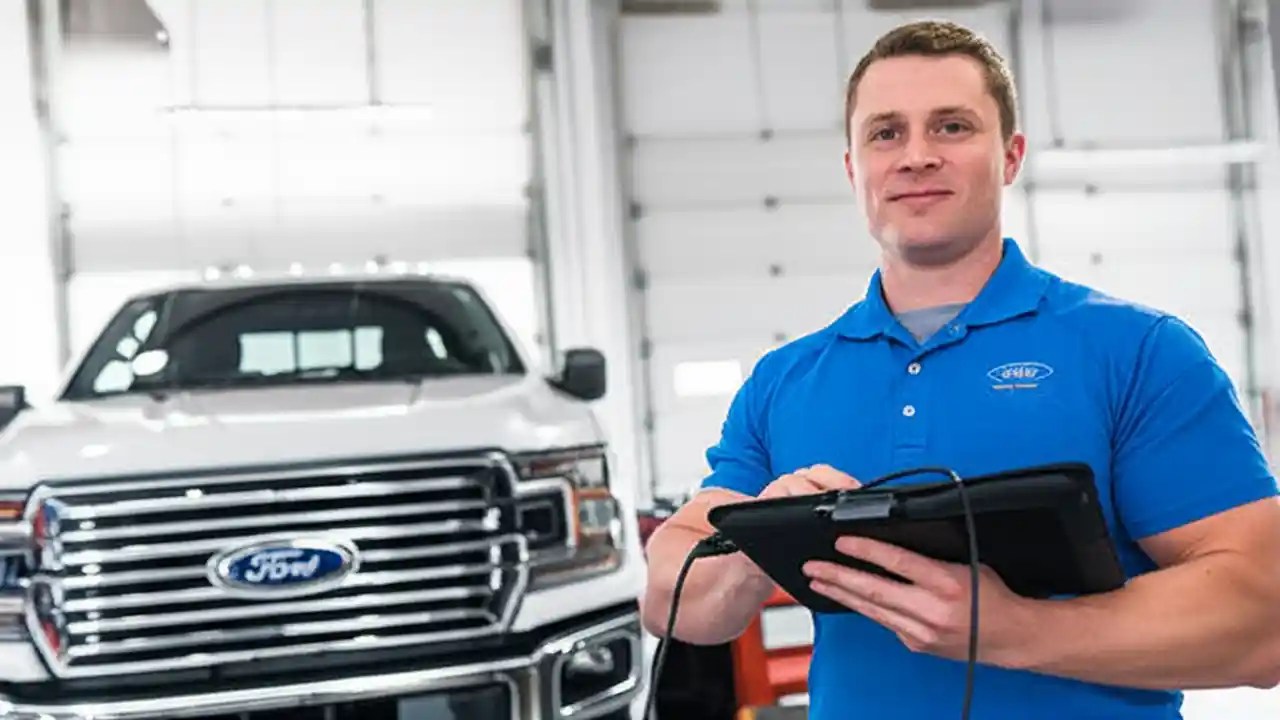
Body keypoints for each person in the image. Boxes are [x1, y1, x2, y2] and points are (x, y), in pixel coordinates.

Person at [640, 18, 1280, 719]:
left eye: (951, 127)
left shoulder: (1138, 352)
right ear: (854, 168)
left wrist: (1018, 631)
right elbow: (671, 601)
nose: (916, 156)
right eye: (886, 133)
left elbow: (1263, 620)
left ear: (1010, 155)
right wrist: (759, 536)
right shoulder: (785, 381)